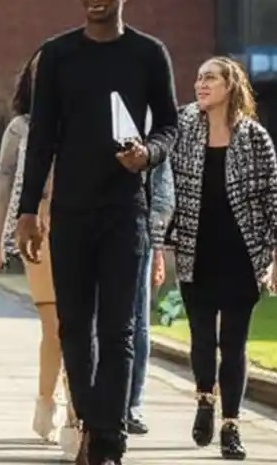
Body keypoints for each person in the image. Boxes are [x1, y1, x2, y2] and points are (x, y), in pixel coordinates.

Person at [16, 0, 179, 465]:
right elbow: (41, 138)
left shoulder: (149, 55)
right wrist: (27, 211)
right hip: (71, 212)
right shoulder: (59, 55)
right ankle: (88, 420)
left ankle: (108, 438)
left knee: (118, 330)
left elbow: (170, 126)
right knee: (73, 326)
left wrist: (147, 154)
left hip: (125, 211)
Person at [162, 57, 277, 461]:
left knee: (233, 341)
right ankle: (204, 400)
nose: (201, 84)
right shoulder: (182, 127)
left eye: (210, 78)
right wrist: (156, 242)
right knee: (202, 337)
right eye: (198, 78)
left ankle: (231, 426)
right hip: (195, 247)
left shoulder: (254, 136)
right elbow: (163, 185)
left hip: (241, 250)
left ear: (230, 85)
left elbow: (273, 195)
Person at [0, 49, 79, 449]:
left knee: (78, 325)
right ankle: (48, 401)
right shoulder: (20, 128)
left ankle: (78, 416)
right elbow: (4, 182)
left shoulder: (82, 122)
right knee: (54, 327)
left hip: (80, 229)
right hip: (34, 231)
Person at [127, 156, 173, 436]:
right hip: (92, 224)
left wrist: (156, 243)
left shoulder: (148, 118)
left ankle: (132, 403)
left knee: (137, 320)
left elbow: (163, 191)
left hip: (138, 231)